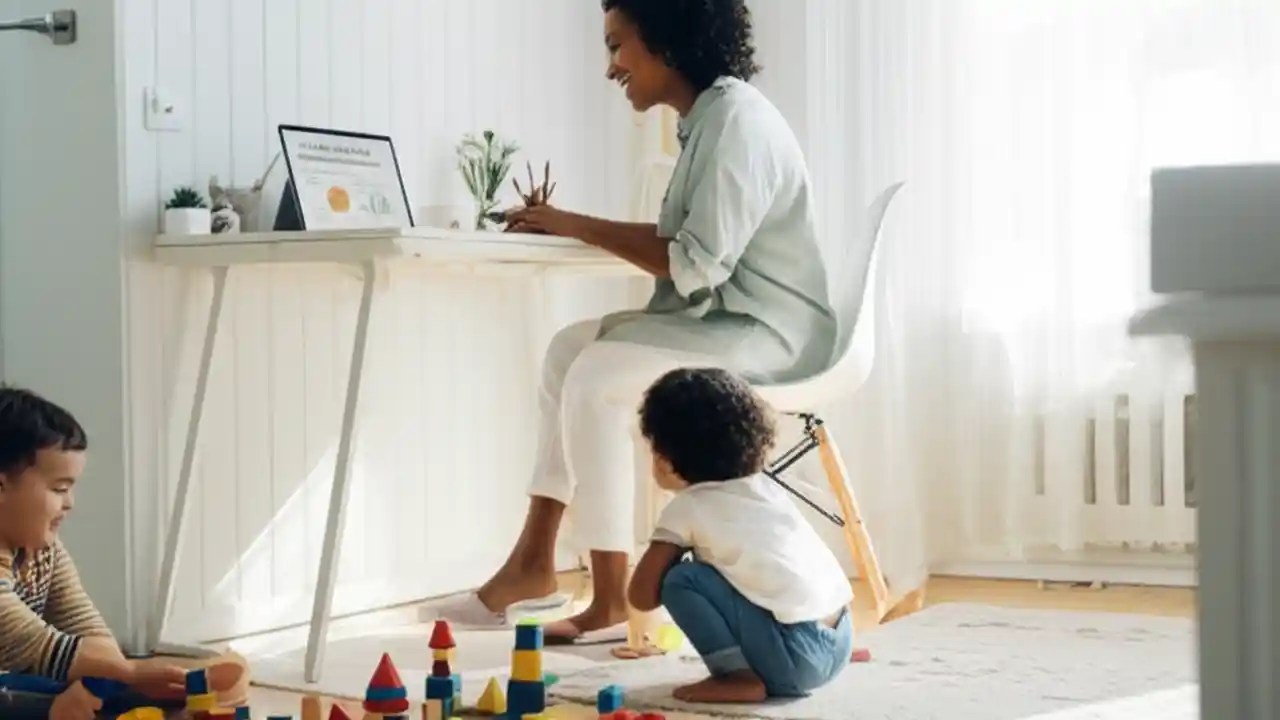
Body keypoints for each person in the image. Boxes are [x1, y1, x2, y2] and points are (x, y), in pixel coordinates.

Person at [431, 0, 840, 642]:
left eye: (617, 45)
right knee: (568, 351)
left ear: (667, 41)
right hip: (728, 321)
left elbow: (692, 263)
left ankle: (612, 600)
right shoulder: (709, 119)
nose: (610, 67)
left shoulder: (736, 123)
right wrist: (569, 224)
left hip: (772, 337)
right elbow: (693, 249)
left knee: (596, 376)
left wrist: (574, 224)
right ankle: (534, 560)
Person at [628, 367, 854, 702]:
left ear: (665, 458)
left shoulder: (688, 507)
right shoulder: (767, 488)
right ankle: (764, 665)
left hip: (797, 660)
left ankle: (738, 676)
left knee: (682, 579)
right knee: (727, 571)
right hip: (840, 640)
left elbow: (641, 596)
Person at [0, 387, 189, 719]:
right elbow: (31, 642)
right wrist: (129, 673)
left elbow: (87, 629)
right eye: (59, 488)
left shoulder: (45, 552)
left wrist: (119, 676)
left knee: (104, 685)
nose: (70, 503)